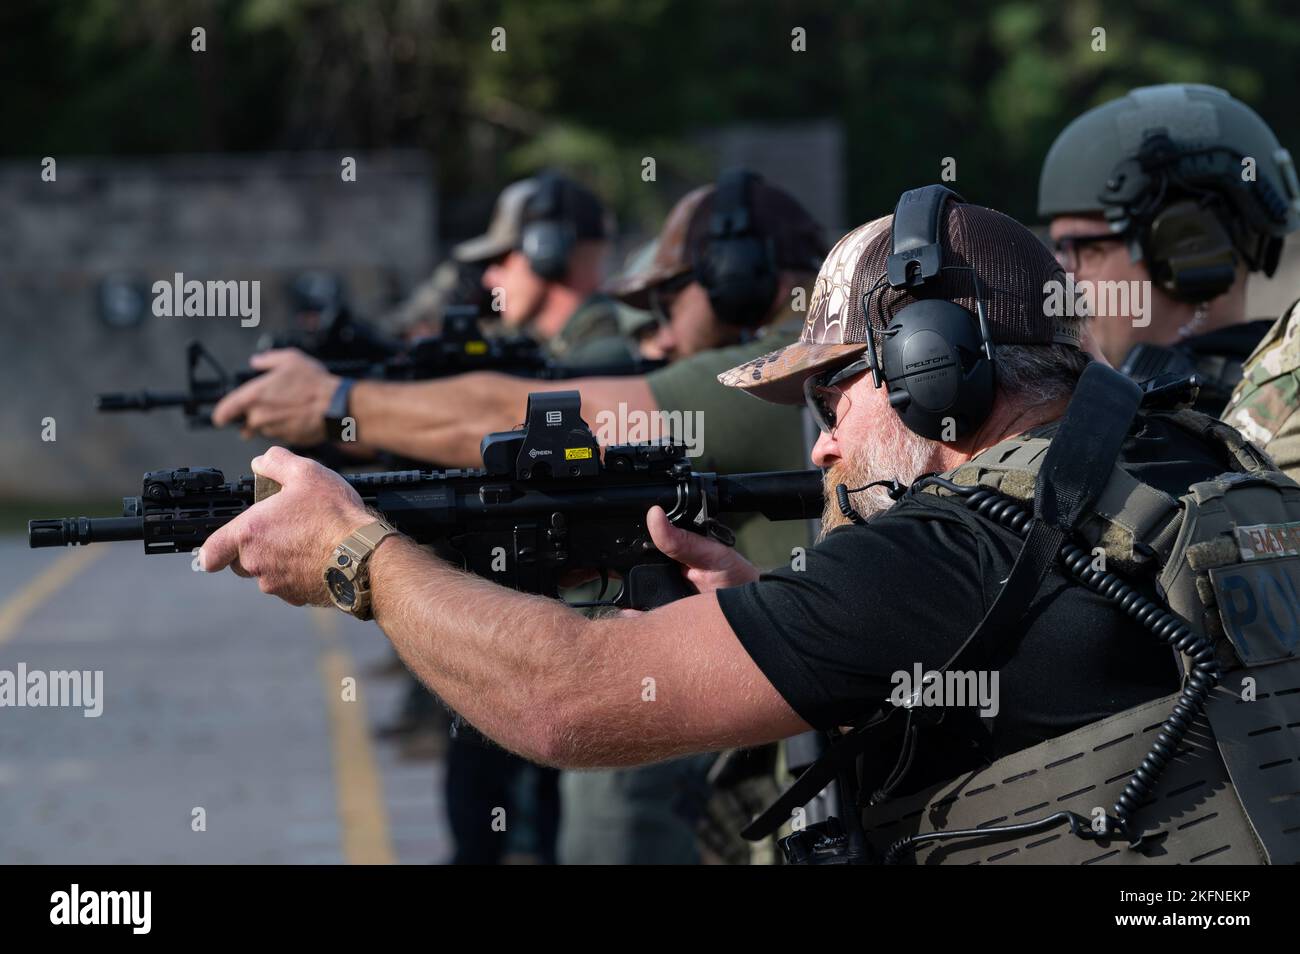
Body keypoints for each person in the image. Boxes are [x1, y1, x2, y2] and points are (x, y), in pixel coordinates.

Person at [196, 186, 1278, 864]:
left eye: (827, 401)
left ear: (925, 375)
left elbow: (564, 697)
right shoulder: (1193, 456)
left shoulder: (953, 547)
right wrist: (767, 626)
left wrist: (357, 554)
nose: (816, 448)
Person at [1038, 83, 1300, 414]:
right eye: (1056, 249)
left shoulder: (1271, 423)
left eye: (1084, 251)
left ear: (1189, 249)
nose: (1063, 278)